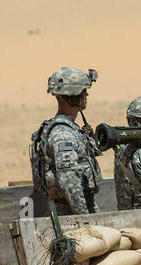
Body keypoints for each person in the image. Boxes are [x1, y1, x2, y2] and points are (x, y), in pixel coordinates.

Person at [30, 67, 102, 215]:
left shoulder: (70, 128)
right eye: (83, 91)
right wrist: (84, 218)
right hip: (69, 215)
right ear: (72, 96)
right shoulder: (63, 134)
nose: (86, 94)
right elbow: (69, 181)